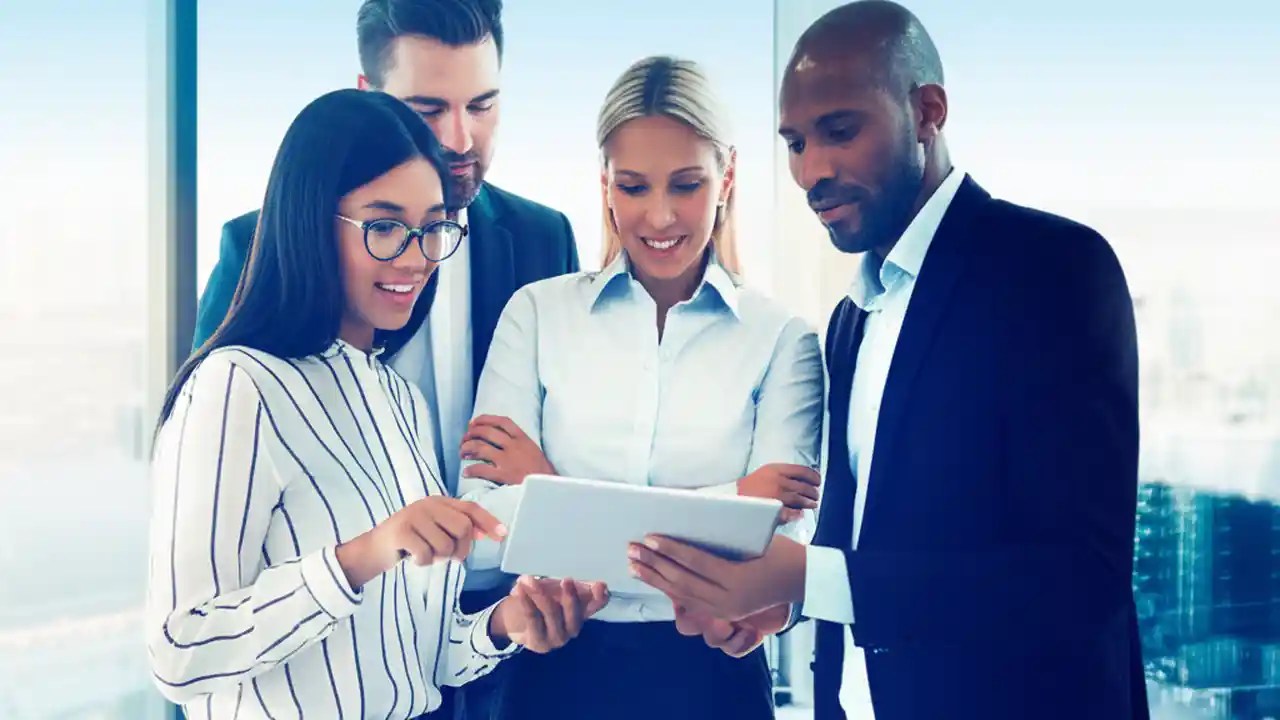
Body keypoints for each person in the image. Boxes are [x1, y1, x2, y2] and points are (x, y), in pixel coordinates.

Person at [626, 3, 1149, 719]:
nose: (812, 171)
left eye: (840, 132)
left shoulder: (1051, 269)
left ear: (927, 111)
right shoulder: (849, 318)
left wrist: (811, 579)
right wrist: (779, 604)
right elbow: (859, 537)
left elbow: (1077, 580)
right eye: (795, 142)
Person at [145, 89, 608, 720]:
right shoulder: (238, 386)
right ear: (310, 220)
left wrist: (503, 624)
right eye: (385, 226)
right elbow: (179, 651)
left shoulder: (398, 399)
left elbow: (418, 657)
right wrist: (362, 555)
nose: (416, 258)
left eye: (434, 228)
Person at [452, 55, 826, 719]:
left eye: (685, 185)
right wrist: (733, 500)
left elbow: (779, 552)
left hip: (712, 679)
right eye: (632, 186)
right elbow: (481, 528)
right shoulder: (536, 316)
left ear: (727, 176)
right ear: (604, 185)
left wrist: (553, 501)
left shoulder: (782, 340)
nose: (658, 217)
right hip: (555, 671)